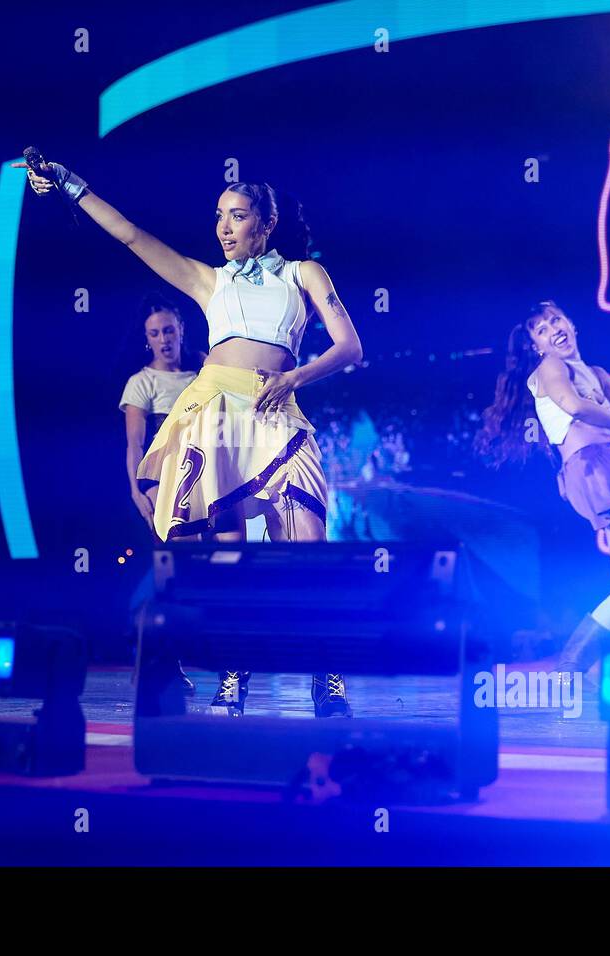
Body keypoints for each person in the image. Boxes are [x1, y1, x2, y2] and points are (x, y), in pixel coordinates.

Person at [18, 156, 362, 717]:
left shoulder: (304, 275)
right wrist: (70, 185)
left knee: (306, 555)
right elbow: (130, 235)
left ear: (266, 223)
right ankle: (233, 675)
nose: (224, 227)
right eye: (219, 216)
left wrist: (295, 375)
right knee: (229, 561)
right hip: (214, 415)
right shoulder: (210, 280)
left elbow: (350, 346)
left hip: (278, 409)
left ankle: (329, 677)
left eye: (238, 216)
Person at [474, 301, 610, 677]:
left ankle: (568, 670)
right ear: (537, 346)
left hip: (605, 470)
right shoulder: (551, 368)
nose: (552, 329)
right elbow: (574, 405)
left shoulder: (597, 373)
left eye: (555, 320)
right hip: (591, 467)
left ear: (571, 323)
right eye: (540, 330)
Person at [120, 293, 203, 694]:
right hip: (165, 487)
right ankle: (162, 661)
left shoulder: (205, 369)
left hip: (207, 482)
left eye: (168, 329)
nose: (163, 339)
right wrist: (139, 492)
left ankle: (164, 657)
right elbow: (135, 444)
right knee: (172, 574)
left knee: (195, 575)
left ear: (181, 329)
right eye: (154, 333)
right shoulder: (143, 383)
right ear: (147, 339)